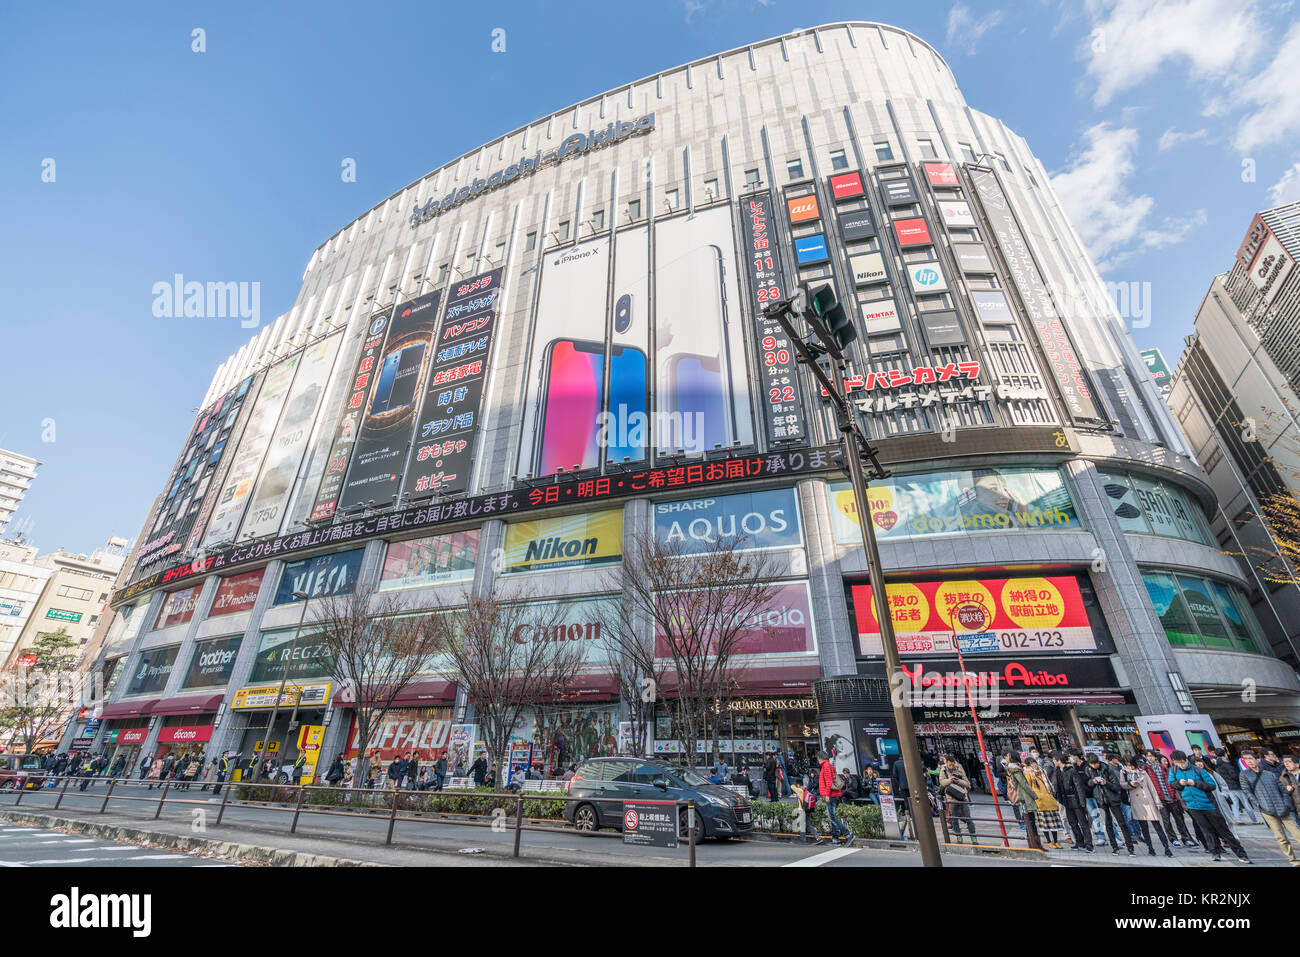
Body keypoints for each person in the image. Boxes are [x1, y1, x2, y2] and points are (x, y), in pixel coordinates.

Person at [1167, 750, 1251, 864]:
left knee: (1223, 829)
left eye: (1182, 762)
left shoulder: (1198, 770)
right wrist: (1180, 783)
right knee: (1206, 829)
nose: (1180, 765)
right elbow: (1172, 783)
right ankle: (1215, 852)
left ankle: (1241, 853)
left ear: (1186, 760)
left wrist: (1195, 783)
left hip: (1208, 804)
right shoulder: (1174, 771)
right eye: (1177, 763)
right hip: (1192, 805)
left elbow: (1211, 785)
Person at [1240, 749, 1300, 867]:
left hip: (1283, 808)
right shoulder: (1244, 775)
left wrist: (1286, 804)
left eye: (1250, 758)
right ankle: (1293, 860)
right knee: (1281, 837)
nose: (1249, 761)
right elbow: (1247, 792)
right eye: (1246, 760)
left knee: (1297, 833)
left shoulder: (1269, 774)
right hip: (1267, 810)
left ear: (1256, 760)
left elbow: (1282, 790)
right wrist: (1259, 805)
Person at [1121, 755, 1173, 857]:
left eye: (1131, 765)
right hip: (1137, 802)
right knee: (1144, 828)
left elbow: (1152, 788)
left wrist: (1157, 802)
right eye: (1128, 765)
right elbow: (1122, 784)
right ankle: (1150, 848)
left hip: (1149, 801)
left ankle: (1167, 848)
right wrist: (1131, 784)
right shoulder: (1124, 773)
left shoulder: (1143, 772)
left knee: (1158, 826)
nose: (1130, 767)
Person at [1084, 753, 1133, 855]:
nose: (1094, 766)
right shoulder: (1088, 770)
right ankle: (1114, 847)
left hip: (1113, 799)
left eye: (1095, 764)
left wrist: (1106, 783)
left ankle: (1130, 847)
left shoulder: (1107, 769)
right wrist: (1093, 782)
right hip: (1101, 801)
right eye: (1091, 764)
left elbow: (1117, 786)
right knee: (1108, 824)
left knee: (1122, 823)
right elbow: (1088, 785)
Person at [1053, 751, 1092, 852]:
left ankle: (1089, 845)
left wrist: (1082, 801)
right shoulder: (1058, 771)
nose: (1053, 762)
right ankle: (1079, 843)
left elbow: (1079, 787)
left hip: (1075, 799)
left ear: (1059, 761)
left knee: (1083, 823)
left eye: (1054, 760)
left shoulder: (1071, 771)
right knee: (1072, 823)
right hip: (1066, 801)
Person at [1024, 756, 1063, 849]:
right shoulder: (1028, 774)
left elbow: (1049, 784)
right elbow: (1028, 787)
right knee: (1044, 823)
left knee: (1054, 823)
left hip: (1049, 799)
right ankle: (1049, 841)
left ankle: (1056, 841)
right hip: (1040, 801)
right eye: (1031, 763)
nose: (1034, 765)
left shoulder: (1043, 772)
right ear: (1028, 766)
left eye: (1034, 762)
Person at [817, 751, 853, 847]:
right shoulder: (828, 765)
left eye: (817, 758)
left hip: (832, 796)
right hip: (834, 795)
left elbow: (829, 782)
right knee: (833, 817)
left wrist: (827, 795)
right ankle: (835, 839)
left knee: (832, 817)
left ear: (820, 758)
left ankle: (848, 834)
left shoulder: (826, 766)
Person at [939, 753, 976, 844]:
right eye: (950, 765)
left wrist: (959, 781)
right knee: (954, 819)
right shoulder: (943, 770)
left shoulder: (959, 768)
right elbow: (942, 783)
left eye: (953, 764)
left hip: (962, 797)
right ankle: (959, 837)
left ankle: (974, 838)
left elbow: (967, 784)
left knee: (968, 818)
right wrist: (950, 780)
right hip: (951, 798)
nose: (951, 766)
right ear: (946, 763)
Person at [1215, 747, 1257, 825]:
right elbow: (1233, 775)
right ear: (1224, 754)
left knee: (1234, 803)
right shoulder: (1226, 763)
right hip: (1235, 786)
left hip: (1228, 787)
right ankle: (1254, 819)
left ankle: (1238, 819)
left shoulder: (1217, 764)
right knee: (1246, 803)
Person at [789, 777, 819, 844]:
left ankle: (803, 840)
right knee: (808, 824)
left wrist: (795, 783)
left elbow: (791, 786)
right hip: (807, 809)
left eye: (797, 785)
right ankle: (817, 836)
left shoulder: (800, 791)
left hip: (802, 810)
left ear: (798, 785)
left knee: (802, 825)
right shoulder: (806, 790)